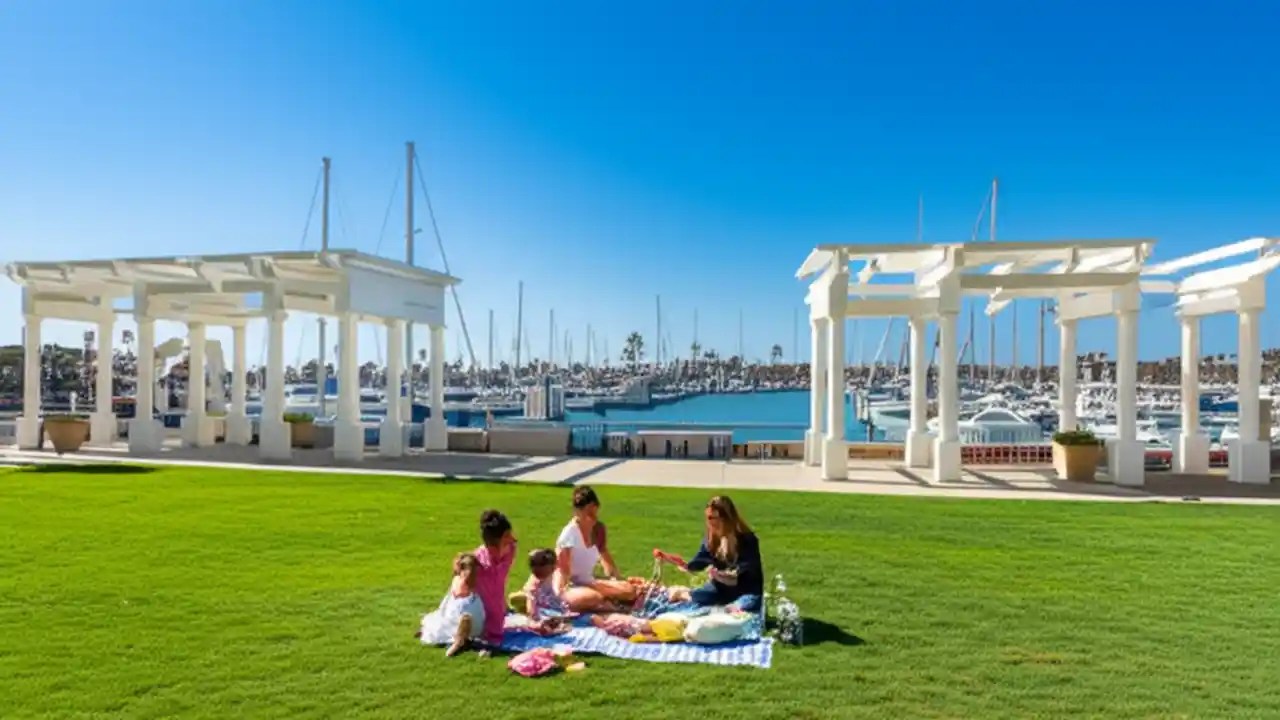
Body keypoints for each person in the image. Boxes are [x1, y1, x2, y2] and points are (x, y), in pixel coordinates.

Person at [655, 495, 763, 612]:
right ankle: (683, 593)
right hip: (721, 590)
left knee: (744, 606)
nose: (709, 522)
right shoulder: (711, 541)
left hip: (745, 591)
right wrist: (674, 560)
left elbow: (742, 576)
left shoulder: (747, 540)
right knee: (698, 597)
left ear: (726, 518)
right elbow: (696, 564)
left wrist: (723, 576)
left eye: (712, 518)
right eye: (708, 518)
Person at [555, 486, 635, 612]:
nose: (593, 517)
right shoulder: (568, 535)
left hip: (588, 582)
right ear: (577, 511)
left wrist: (616, 579)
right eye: (588, 513)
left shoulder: (598, 529)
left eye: (594, 512)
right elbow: (564, 573)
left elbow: (605, 557)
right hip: (570, 585)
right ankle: (607, 604)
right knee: (592, 597)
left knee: (629, 590)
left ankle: (606, 601)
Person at [418, 552, 485, 657]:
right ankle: (460, 639)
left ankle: (460, 640)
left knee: (461, 620)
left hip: (464, 614)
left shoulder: (460, 581)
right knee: (450, 621)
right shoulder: (465, 581)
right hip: (468, 617)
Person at [473, 509, 517, 647]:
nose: (512, 539)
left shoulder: (510, 549)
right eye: (507, 536)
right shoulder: (480, 564)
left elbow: (498, 586)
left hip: (495, 605)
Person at [509, 548, 566, 620]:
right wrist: (533, 616)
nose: (537, 569)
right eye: (533, 564)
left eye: (541, 564)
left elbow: (559, 591)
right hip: (538, 601)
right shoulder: (534, 580)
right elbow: (531, 596)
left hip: (550, 603)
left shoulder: (557, 575)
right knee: (518, 598)